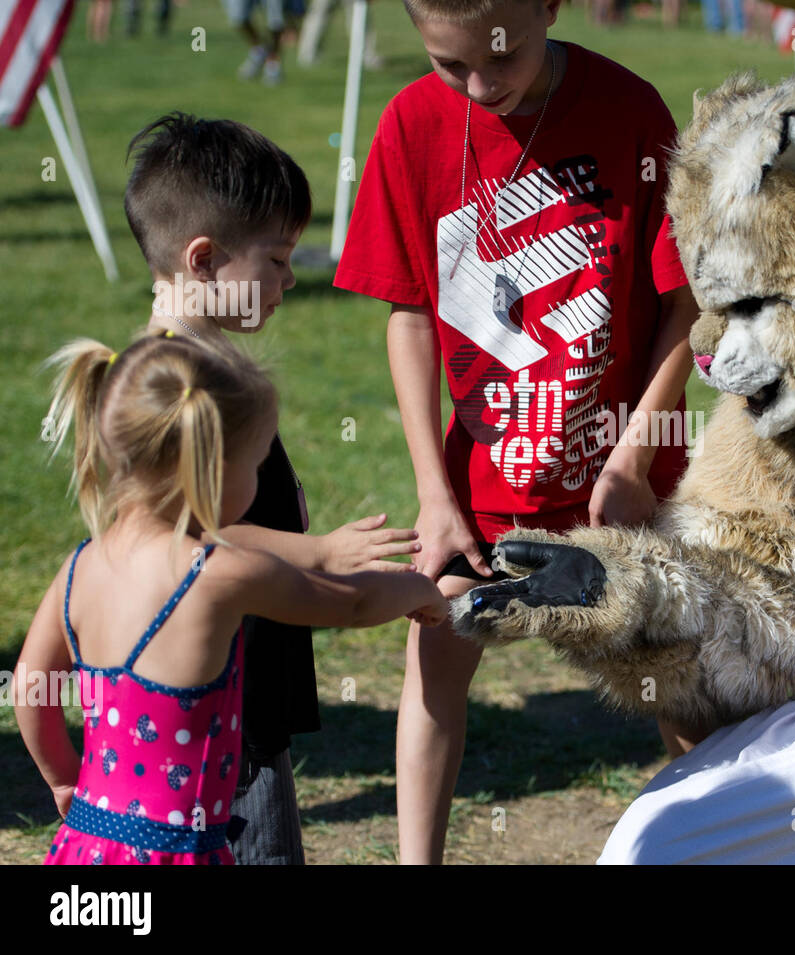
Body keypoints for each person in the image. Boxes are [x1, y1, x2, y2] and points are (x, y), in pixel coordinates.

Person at [333, 0, 700, 863]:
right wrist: (434, 496)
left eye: (496, 62)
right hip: (481, 490)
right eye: (446, 64)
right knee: (434, 676)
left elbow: (684, 301)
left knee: (685, 688)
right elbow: (411, 315)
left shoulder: (630, 110)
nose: (476, 86)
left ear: (547, 8)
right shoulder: (413, 123)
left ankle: (711, 846)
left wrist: (636, 454)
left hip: (624, 478)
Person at [16, 334, 448, 865]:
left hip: (85, 843)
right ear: (214, 469)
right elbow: (351, 604)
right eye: (257, 461)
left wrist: (63, 780)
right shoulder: (219, 574)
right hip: (175, 852)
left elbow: (32, 687)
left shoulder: (79, 565)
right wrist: (421, 588)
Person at [127, 112, 424, 864]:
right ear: (204, 258)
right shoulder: (180, 386)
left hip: (237, 696)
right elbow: (184, 536)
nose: (292, 280)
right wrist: (319, 550)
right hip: (225, 712)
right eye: (277, 258)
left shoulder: (186, 368)